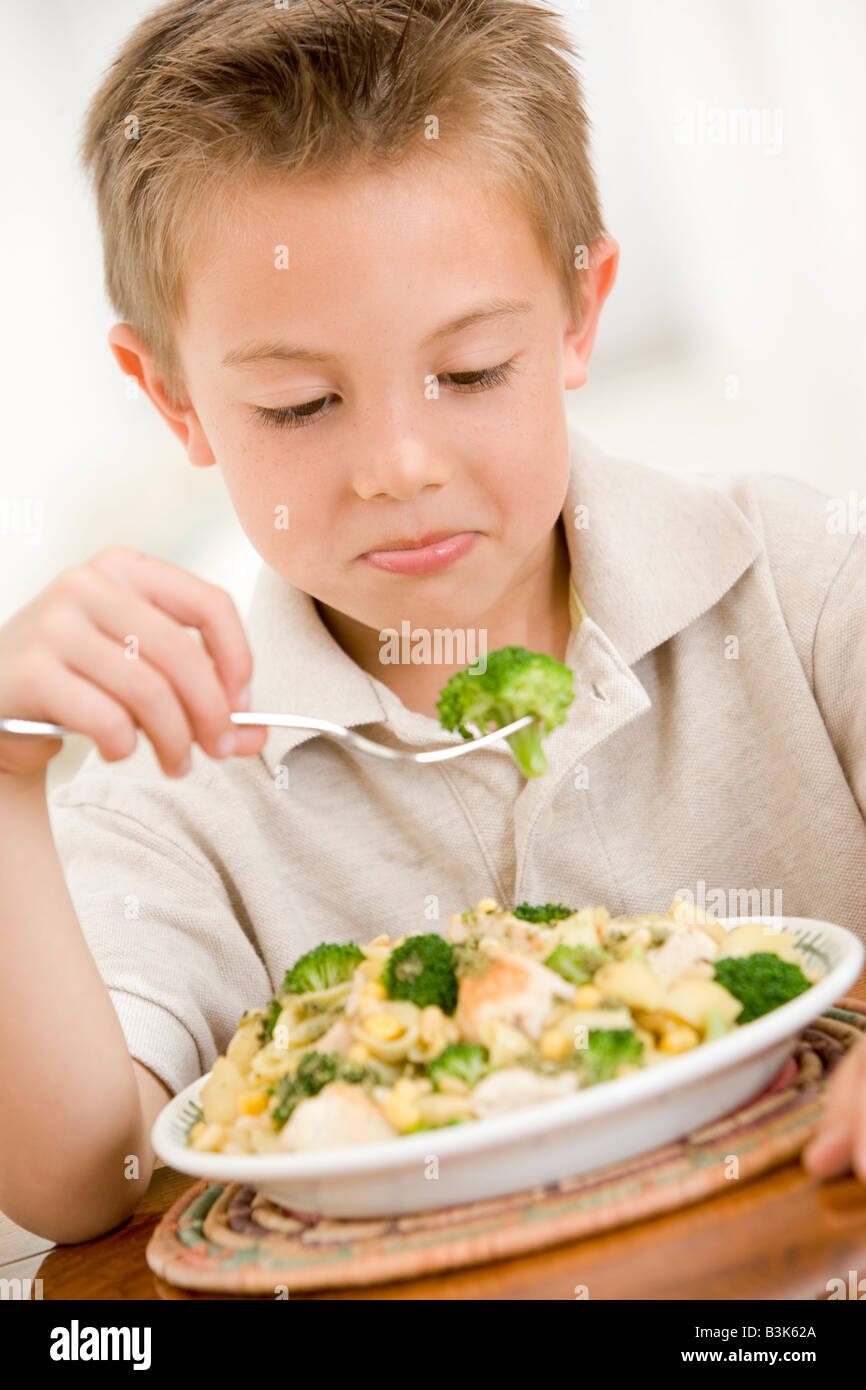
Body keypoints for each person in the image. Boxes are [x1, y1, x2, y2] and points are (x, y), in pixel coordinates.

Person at [0, 0, 863, 1244]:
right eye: (300, 405)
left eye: (467, 373)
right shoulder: (170, 772)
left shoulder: (800, 586)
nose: (396, 466)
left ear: (576, 312)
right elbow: (83, 1184)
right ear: (172, 398)